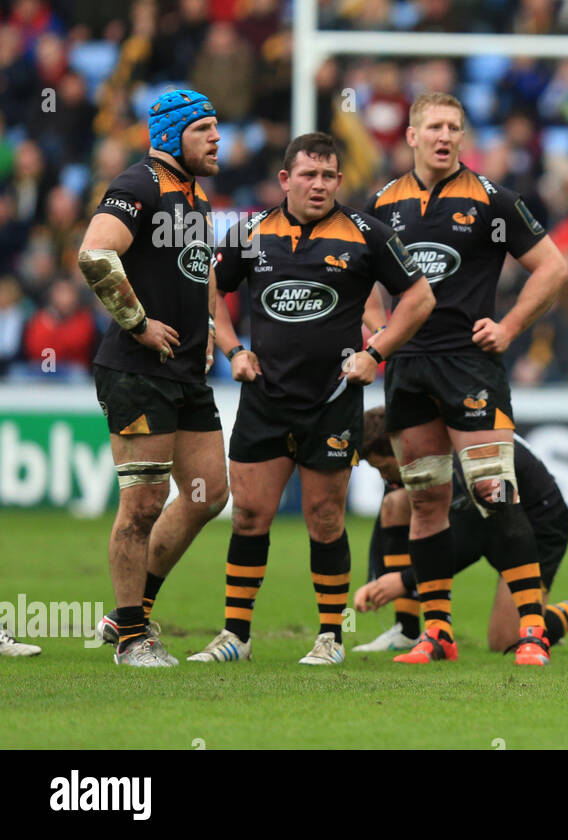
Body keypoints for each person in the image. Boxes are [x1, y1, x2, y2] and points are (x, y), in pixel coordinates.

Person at [188, 132, 433, 665]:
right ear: (285, 179)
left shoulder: (369, 233)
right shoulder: (250, 232)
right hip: (265, 397)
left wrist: (378, 351)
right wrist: (232, 350)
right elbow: (210, 289)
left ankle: (329, 637)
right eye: (308, 175)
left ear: (339, 181)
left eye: (328, 176)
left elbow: (420, 297)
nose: (319, 184)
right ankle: (236, 636)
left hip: (332, 400)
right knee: (250, 514)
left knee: (325, 517)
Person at [365, 93, 568, 666]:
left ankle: (532, 632)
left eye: (454, 127)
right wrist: (379, 333)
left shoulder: (492, 200)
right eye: (433, 126)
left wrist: (509, 327)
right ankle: (438, 633)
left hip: (467, 366)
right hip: (408, 370)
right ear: (410, 136)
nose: (444, 136)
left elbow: (553, 267)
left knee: (493, 492)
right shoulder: (381, 203)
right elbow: (359, 280)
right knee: (425, 501)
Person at [79, 89, 229, 667]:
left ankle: (127, 611)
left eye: (218, 128)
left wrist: (211, 323)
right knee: (143, 504)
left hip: (187, 373)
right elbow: (95, 255)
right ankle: (134, 639)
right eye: (205, 129)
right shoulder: (138, 185)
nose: (218, 138)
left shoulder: (197, 199)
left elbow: (201, 269)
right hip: (137, 370)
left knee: (207, 493)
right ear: (170, 135)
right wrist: (139, 324)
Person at [350, 407, 568, 655]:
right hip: (486, 521)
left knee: (507, 641)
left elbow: (466, 543)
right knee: (396, 502)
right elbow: (388, 523)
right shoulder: (420, 452)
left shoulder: (457, 459)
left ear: (400, 449)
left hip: (539, 525)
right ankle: (406, 631)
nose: (384, 477)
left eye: (383, 468)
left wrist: (404, 581)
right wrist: (378, 578)